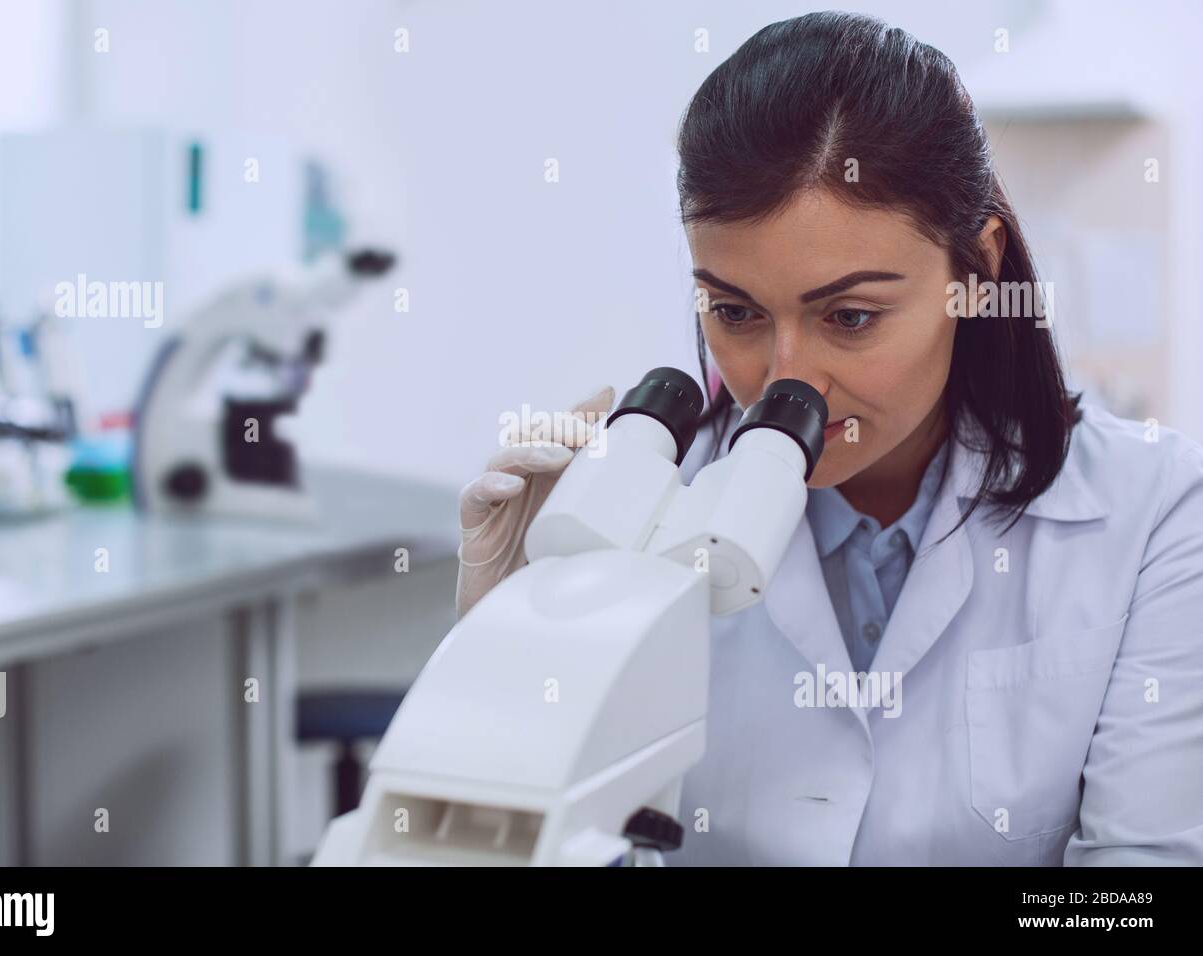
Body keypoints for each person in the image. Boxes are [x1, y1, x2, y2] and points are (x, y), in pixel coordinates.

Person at [454, 11, 1203, 865]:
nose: (787, 380)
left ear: (977, 271)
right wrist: (508, 656)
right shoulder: (641, 520)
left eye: (850, 316)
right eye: (735, 312)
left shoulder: (1154, 514)